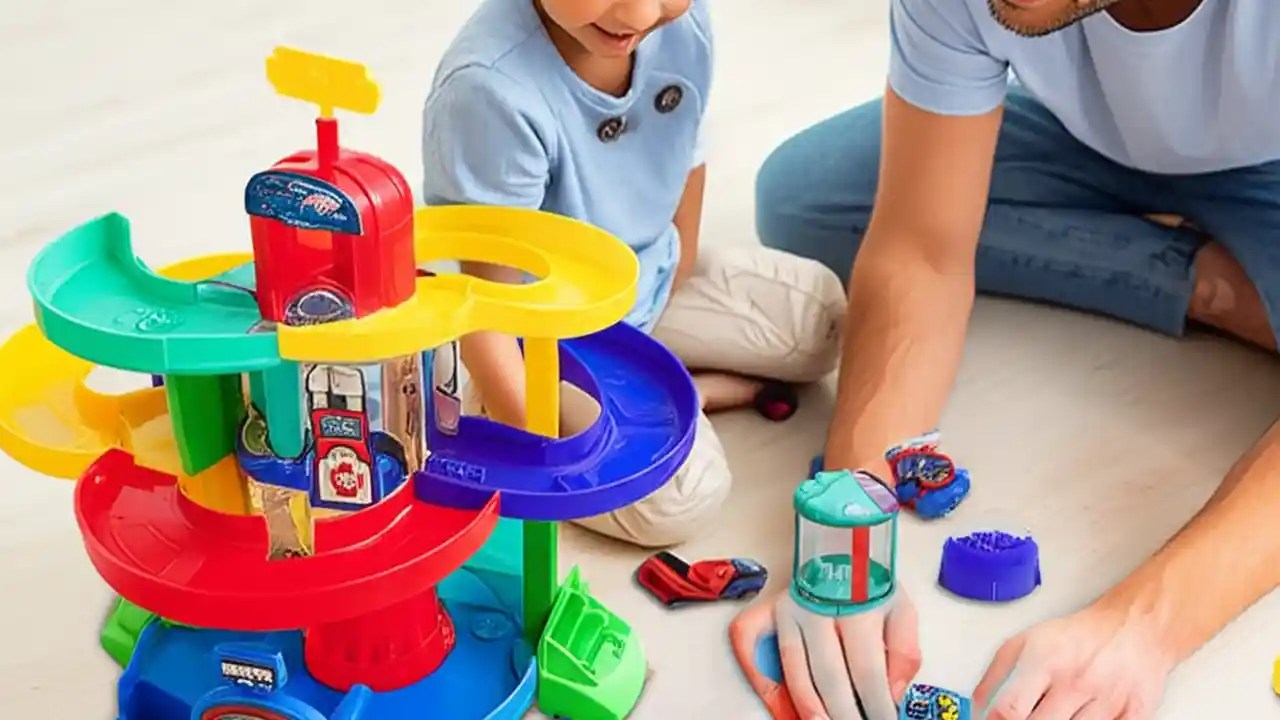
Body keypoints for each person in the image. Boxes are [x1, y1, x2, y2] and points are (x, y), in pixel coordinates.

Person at [735, 0, 1280, 718]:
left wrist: (1141, 627)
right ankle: (1210, 283)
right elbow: (920, 254)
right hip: (1078, 142)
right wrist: (847, 527)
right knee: (806, 199)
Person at [420, 0, 847, 548]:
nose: (641, 13)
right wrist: (542, 445)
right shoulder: (489, 88)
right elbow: (486, 310)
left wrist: (675, 273)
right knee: (685, 496)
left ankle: (672, 382)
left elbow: (689, 149)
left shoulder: (682, 22)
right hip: (531, 340)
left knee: (825, 322)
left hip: (644, 281)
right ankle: (681, 392)